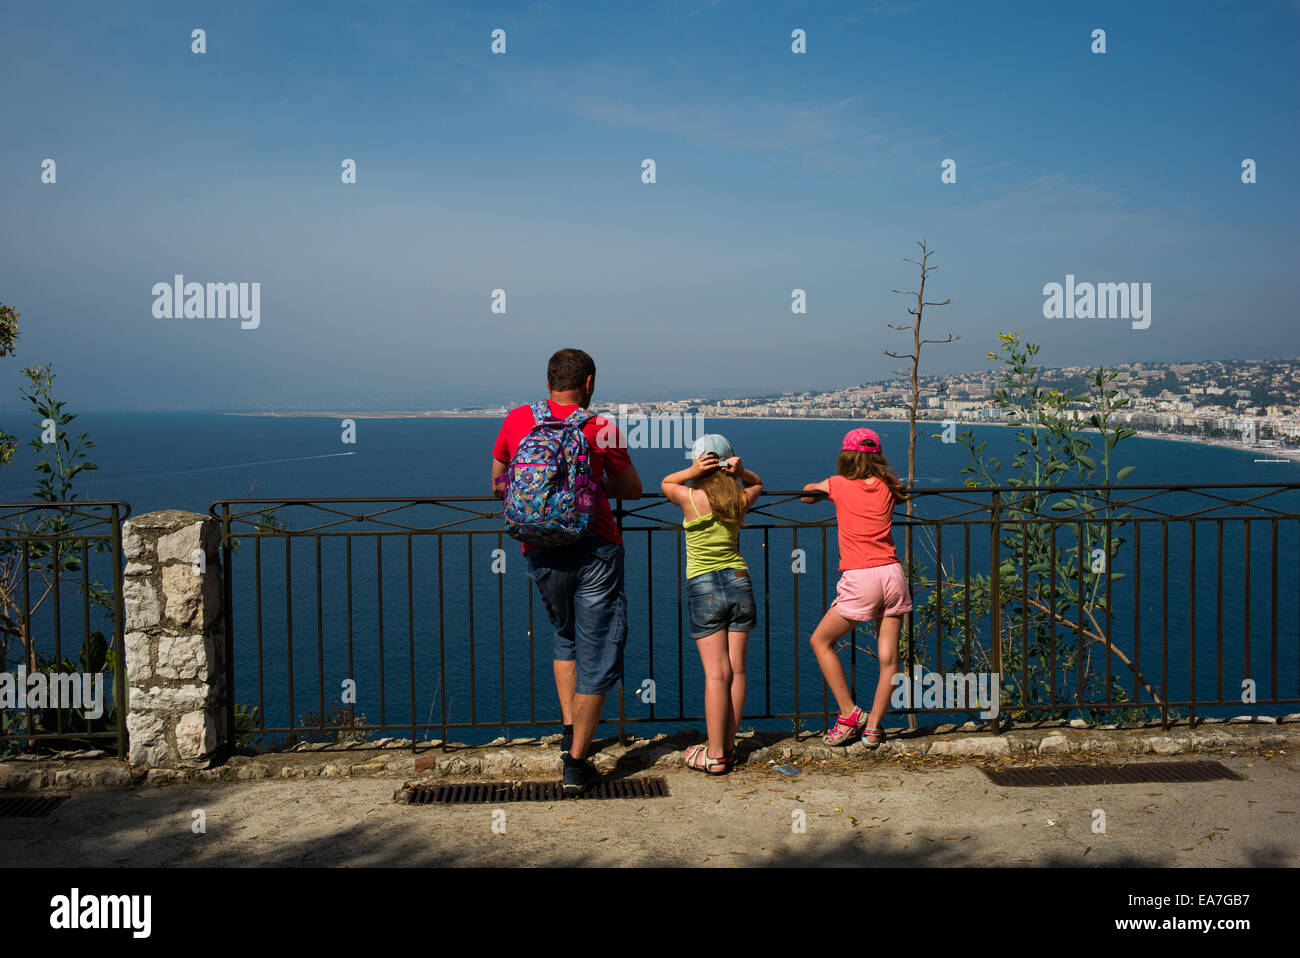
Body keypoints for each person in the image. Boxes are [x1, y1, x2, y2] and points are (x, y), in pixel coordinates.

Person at [491, 348, 642, 794]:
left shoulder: (519, 420)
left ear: (548, 382)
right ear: (589, 384)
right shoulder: (602, 428)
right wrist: (596, 481)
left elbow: (498, 481)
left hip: (538, 549)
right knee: (598, 651)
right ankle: (577, 762)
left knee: (565, 636)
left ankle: (566, 731)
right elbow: (631, 491)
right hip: (595, 547)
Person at [800, 428, 911, 748]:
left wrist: (820, 485)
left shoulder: (837, 484)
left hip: (861, 577)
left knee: (820, 641)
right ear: (877, 456)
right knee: (889, 657)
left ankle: (849, 713)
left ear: (846, 456)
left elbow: (807, 495)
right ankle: (874, 727)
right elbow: (899, 487)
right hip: (893, 575)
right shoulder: (890, 485)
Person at [660, 435, 762, 774]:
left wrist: (691, 470)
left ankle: (715, 754)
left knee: (717, 675)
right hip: (739, 581)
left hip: (704, 588)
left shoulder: (690, 498)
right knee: (738, 670)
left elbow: (665, 482)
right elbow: (758, 483)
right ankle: (728, 746)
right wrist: (742, 472)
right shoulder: (739, 498)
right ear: (727, 464)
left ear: (700, 464)